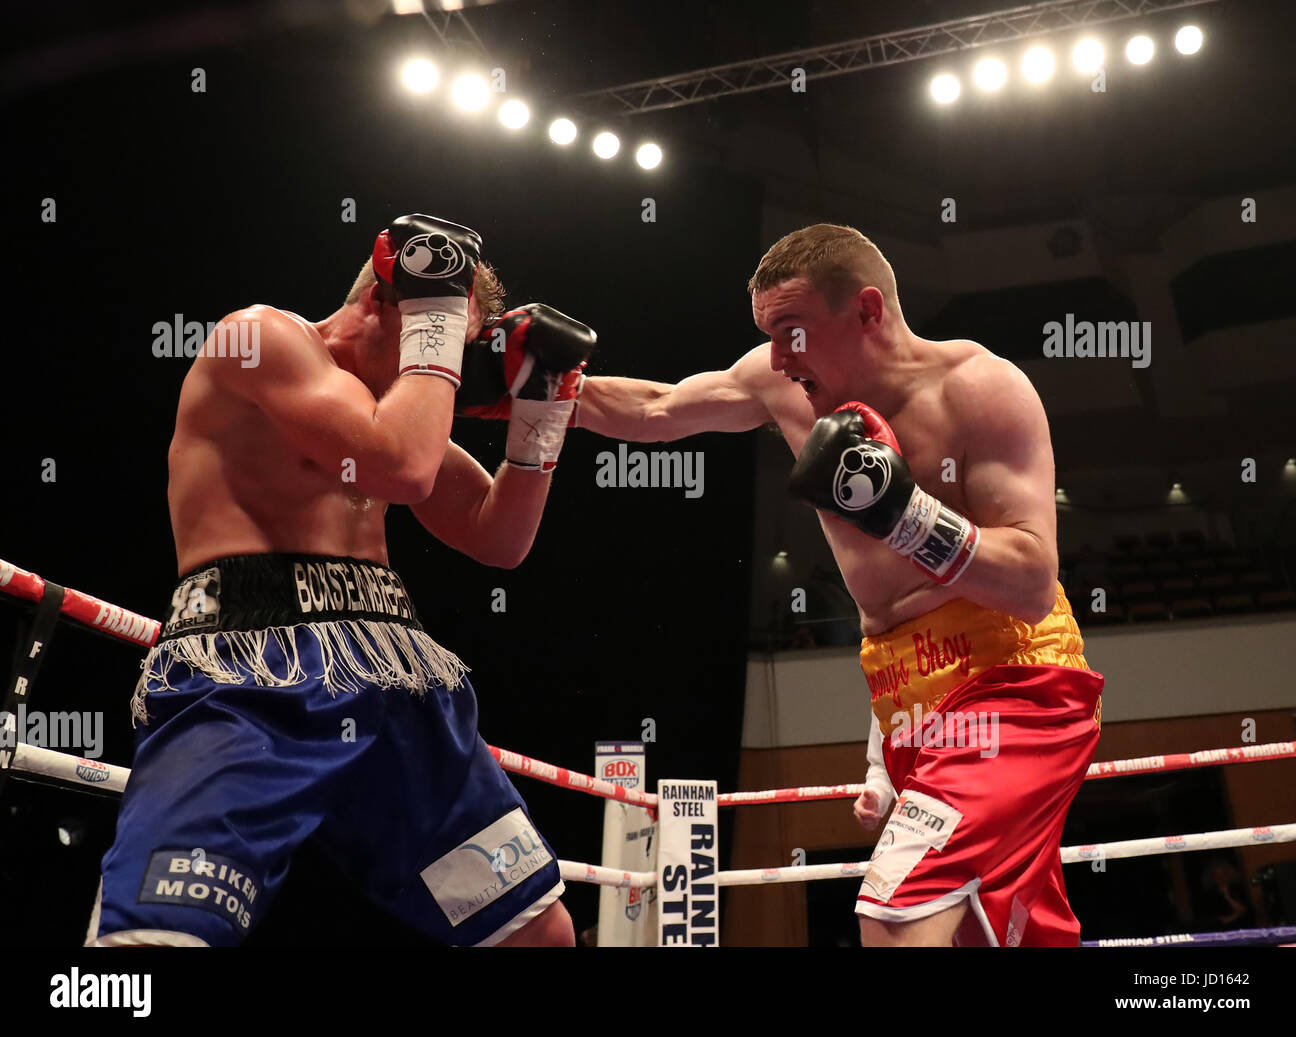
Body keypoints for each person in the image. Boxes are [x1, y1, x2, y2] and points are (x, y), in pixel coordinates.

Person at [573, 223, 1103, 946]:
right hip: (904, 698)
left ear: (867, 310)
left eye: (791, 332)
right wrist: (544, 393)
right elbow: (658, 410)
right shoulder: (781, 384)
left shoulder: (980, 388)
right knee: (995, 932)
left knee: (896, 911)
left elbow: (1034, 581)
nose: (778, 357)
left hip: (1014, 687)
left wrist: (907, 515)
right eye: (768, 336)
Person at [86, 214, 593, 947]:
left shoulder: (387, 413)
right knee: (161, 933)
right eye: (438, 338)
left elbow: (498, 539)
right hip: (253, 670)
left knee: (537, 933)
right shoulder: (259, 338)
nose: (447, 370)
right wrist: (437, 326)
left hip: (395, 677)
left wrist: (541, 415)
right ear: (387, 300)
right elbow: (402, 469)